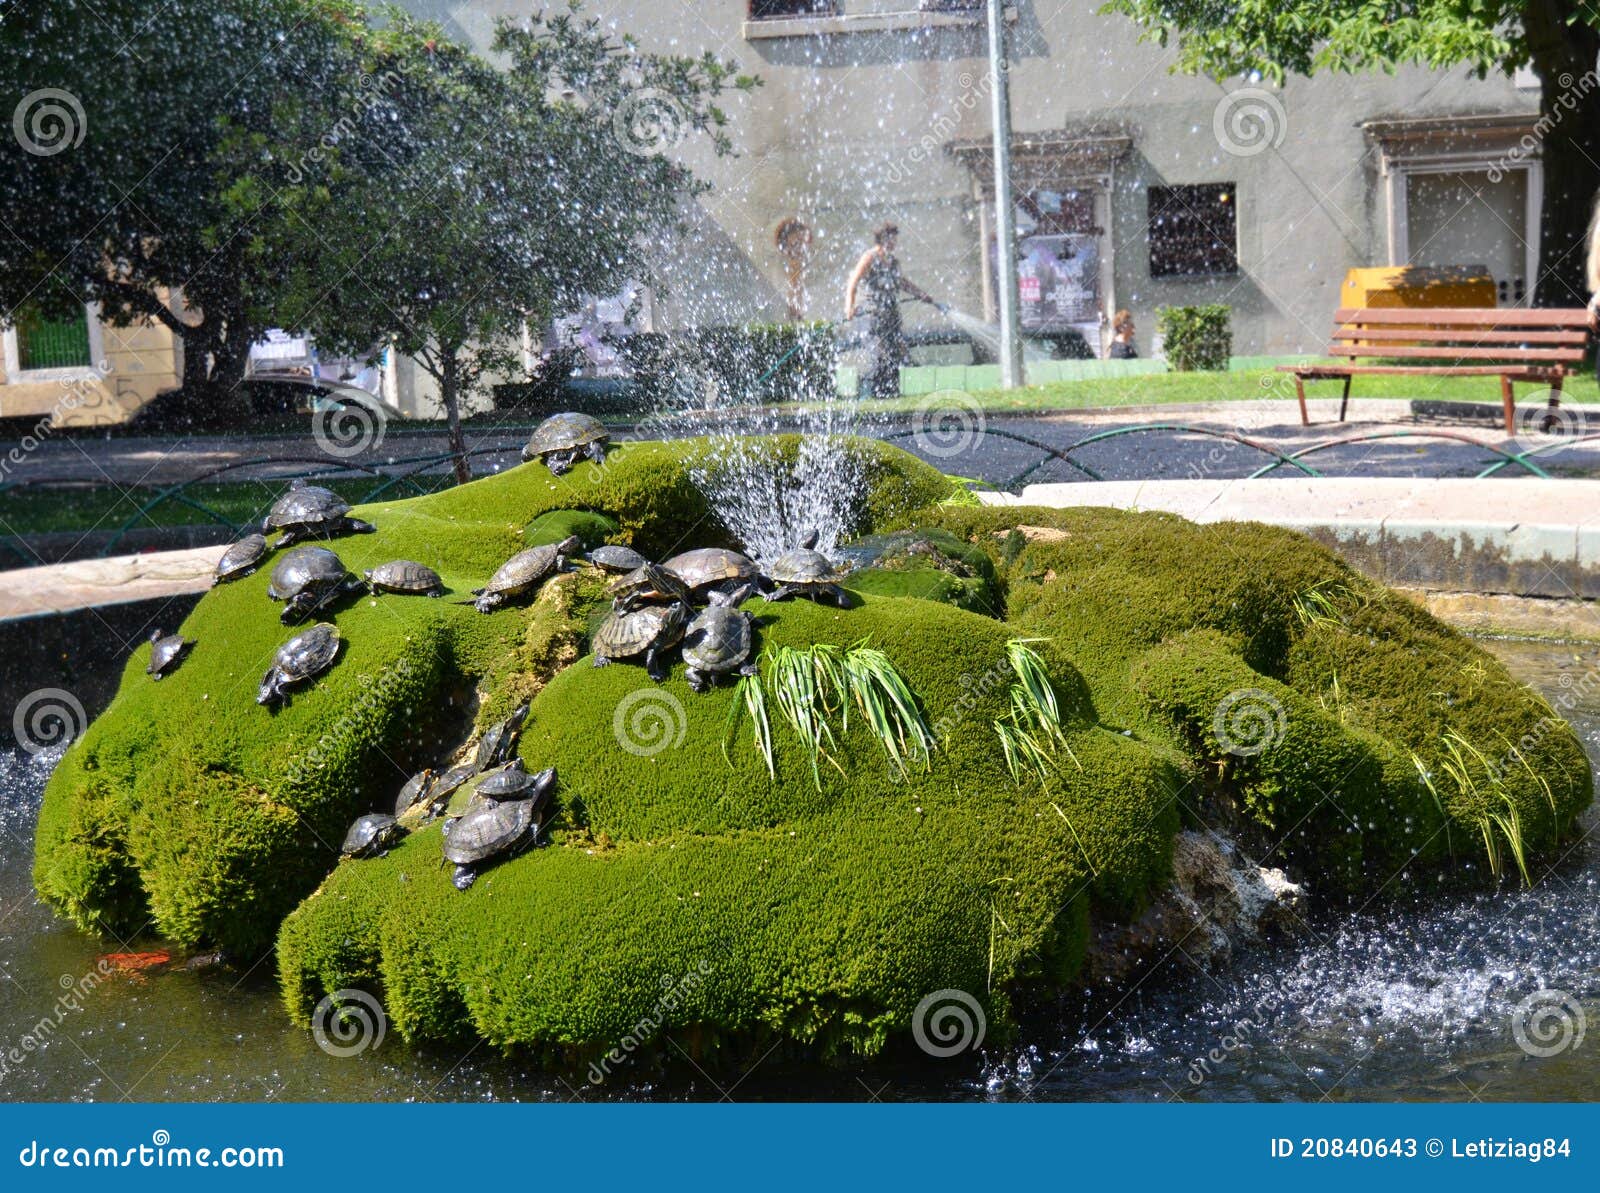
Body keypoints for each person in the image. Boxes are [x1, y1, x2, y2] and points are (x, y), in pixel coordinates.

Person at [845, 222, 937, 398]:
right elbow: (853, 282)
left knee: (895, 354)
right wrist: (849, 306)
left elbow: (901, 282)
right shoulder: (870, 258)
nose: (894, 241)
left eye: (895, 237)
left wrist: (921, 294)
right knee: (879, 356)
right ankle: (871, 395)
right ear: (883, 238)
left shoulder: (894, 262)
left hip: (892, 315)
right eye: (891, 237)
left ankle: (892, 396)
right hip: (873, 316)